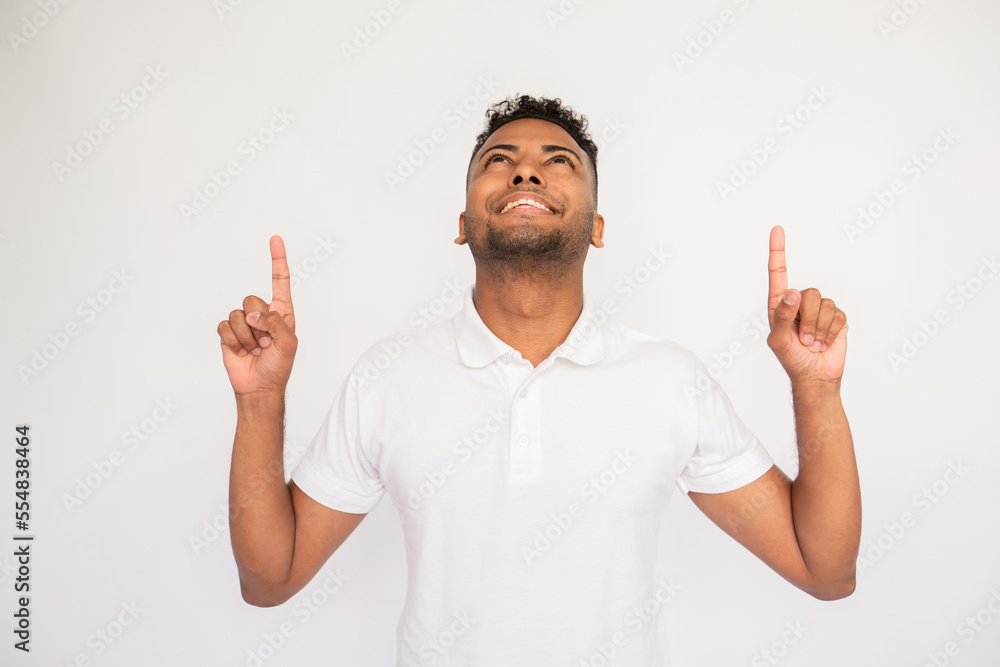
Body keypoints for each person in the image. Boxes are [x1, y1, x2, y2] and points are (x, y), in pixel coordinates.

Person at [217, 95, 861, 665]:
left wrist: (816, 387)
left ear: (598, 228)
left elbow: (825, 570)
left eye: (560, 160)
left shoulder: (670, 380)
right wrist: (261, 398)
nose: (526, 170)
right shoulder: (387, 379)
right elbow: (268, 581)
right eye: (499, 159)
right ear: (464, 224)